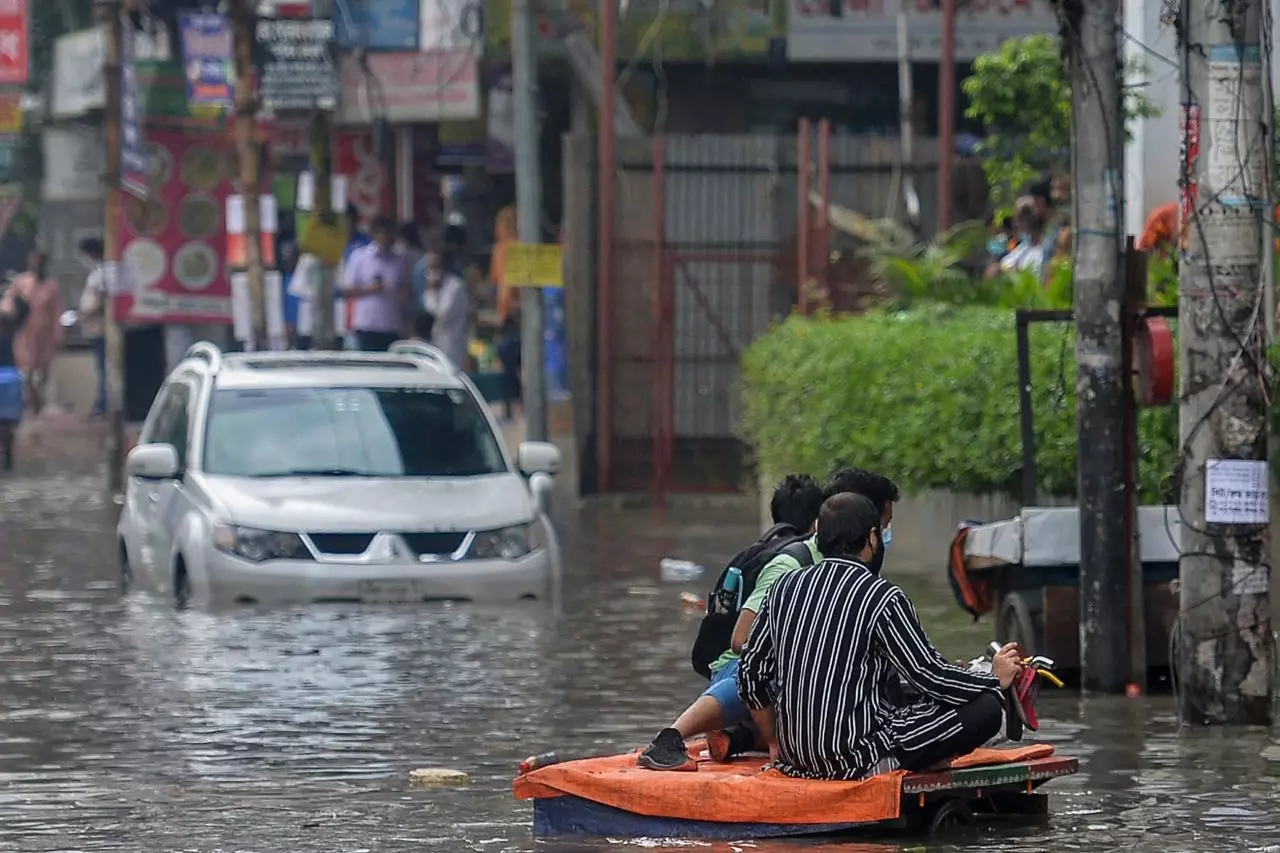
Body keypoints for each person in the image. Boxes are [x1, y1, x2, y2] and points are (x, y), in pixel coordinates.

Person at [738, 492, 1024, 780]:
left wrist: (776, 743)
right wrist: (994, 678)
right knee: (987, 708)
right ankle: (918, 759)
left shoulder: (784, 588)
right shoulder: (881, 597)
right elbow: (931, 677)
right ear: (872, 538)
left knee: (909, 695)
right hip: (857, 760)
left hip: (795, 759)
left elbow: (750, 673)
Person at [638, 474, 826, 772]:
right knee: (763, 670)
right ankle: (668, 740)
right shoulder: (788, 562)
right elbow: (742, 641)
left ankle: (733, 738)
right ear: (818, 521)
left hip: (746, 681)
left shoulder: (774, 550)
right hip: (737, 672)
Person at [1, 249, 64, 417]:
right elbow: (9, 300)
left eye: (40, 261)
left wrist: (58, 334)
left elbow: (57, 311)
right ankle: (31, 406)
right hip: (25, 333)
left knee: (42, 372)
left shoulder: (52, 285)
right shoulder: (22, 282)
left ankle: (38, 403)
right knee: (26, 371)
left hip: (45, 334)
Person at [340, 215, 410, 352]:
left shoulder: (399, 261)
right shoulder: (359, 257)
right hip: (367, 324)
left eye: (391, 233)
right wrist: (369, 289)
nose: (387, 237)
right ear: (374, 234)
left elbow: (406, 287)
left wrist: (404, 294)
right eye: (383, 233)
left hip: (391, 324)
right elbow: (347, 290)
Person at [421, 247, 470, 369]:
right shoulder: (432, 288)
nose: (431, 273)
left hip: (451, 345)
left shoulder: (455, 287)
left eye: (435, 267)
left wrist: (432, 292)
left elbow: (441, 315)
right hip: (434, 344)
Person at [75, 237, 107, 418]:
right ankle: (102, 403)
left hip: (101, 329)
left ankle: (103, 405)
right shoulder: (97, 273)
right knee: (101, 368)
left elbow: (102, 301)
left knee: (104, 369)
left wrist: (83, 314)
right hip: (94, 329)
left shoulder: (102, 274)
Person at [986, 197, 1050, 282]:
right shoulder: (1024, 248)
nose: (1016, 223)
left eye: (1019, 218)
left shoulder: (1049, 245)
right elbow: (997, 269)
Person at [0, 293, 28, 470]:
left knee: (7, 426)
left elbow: (25, 308)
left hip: (9, 377)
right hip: (10, 378)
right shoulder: (11, 325)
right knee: (8, 426)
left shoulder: (11, 324)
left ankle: (8, 460)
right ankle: (8, 461)